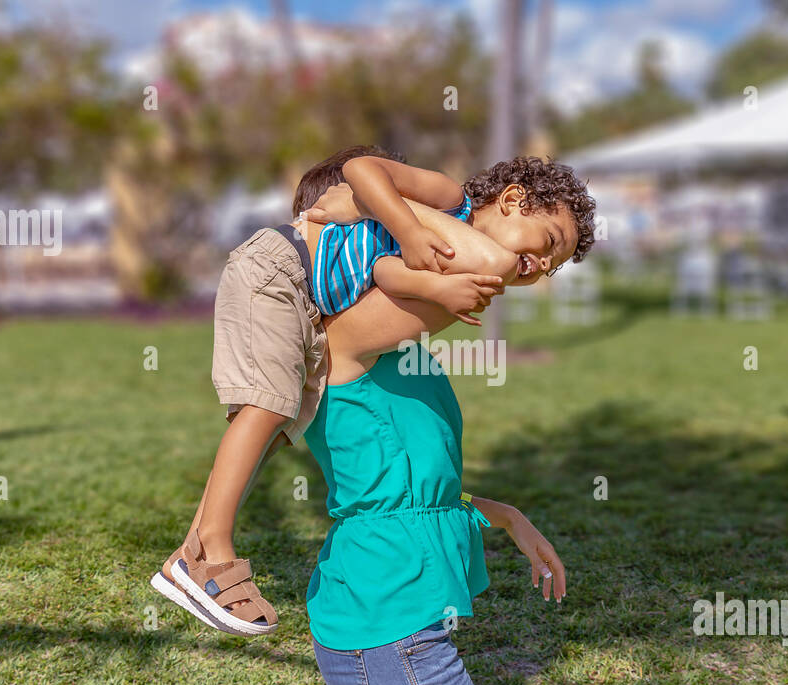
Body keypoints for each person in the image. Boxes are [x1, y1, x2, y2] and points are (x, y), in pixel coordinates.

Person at [151, 149, 596, 636]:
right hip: (283, 269)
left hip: (311, 302)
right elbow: (361, 168)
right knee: (264, 406)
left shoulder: (456, 260)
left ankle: (192, 551)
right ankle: (213, 549)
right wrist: (404, 224)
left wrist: (435, 288)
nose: (541, 264)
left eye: (552, 266)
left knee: (277, 428)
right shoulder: (449, 200)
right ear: (512, 199)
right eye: (550, 241)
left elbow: (383, 269)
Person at [300, 262, 570, 685]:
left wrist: (505, 515)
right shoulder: (348, 340)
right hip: (388, 633)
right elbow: (467, 283)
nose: (542, 266)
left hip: (389, 624)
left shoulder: (400, 350)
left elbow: (411, 487)